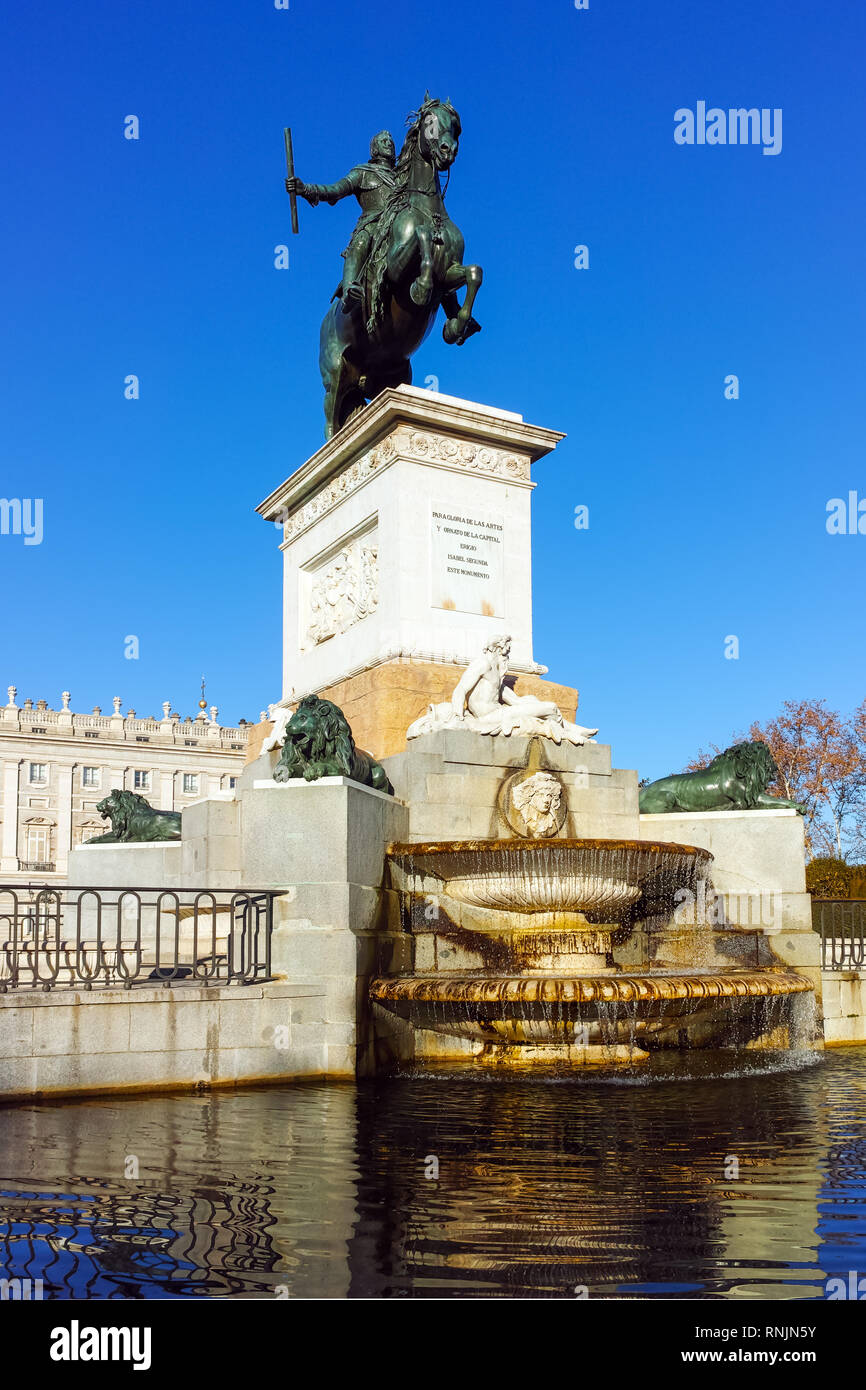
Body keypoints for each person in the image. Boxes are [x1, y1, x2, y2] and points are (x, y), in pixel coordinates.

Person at [286, 131, 397, 309]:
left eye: (391, 141)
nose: (389, 144)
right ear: (374, 149)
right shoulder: (363, 172)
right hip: (373, 223)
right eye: (384, 141)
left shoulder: (403, 177)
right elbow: (335, 190)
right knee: (361, 242)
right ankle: (349, 292)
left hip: (399, 224)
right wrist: (305, 189)